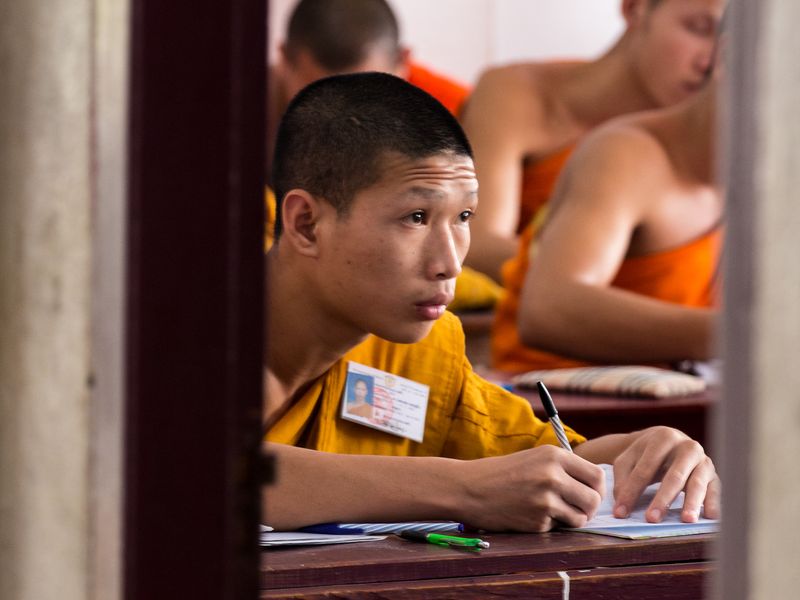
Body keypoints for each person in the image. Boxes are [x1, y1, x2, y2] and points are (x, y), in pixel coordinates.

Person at [262, 72, 719, 531]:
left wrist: (643, 452)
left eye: (464, 216)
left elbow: (530, 461)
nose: (450, 263)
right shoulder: (201, 319)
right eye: (416, 217)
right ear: (305, 225)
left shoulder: (420, 352)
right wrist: (461, 488)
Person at [461, 0, 726, 282]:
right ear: (635, 8)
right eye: (700, 29)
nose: (710, 62)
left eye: (731, 46)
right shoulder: (515, 93)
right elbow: (475, 242)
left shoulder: (710, 140)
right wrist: (579, 283)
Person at [264, 0, 502, 312]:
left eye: (365, 94)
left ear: (402, 63)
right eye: (317, 94)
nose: (342, 119)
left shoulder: (446, 111)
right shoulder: (231, 108)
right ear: (284, 61)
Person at [492, 63, 722, 372]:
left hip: (691, 396)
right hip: (562, 405)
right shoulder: (628, 154)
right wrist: (738, 335)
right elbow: (550, 309)